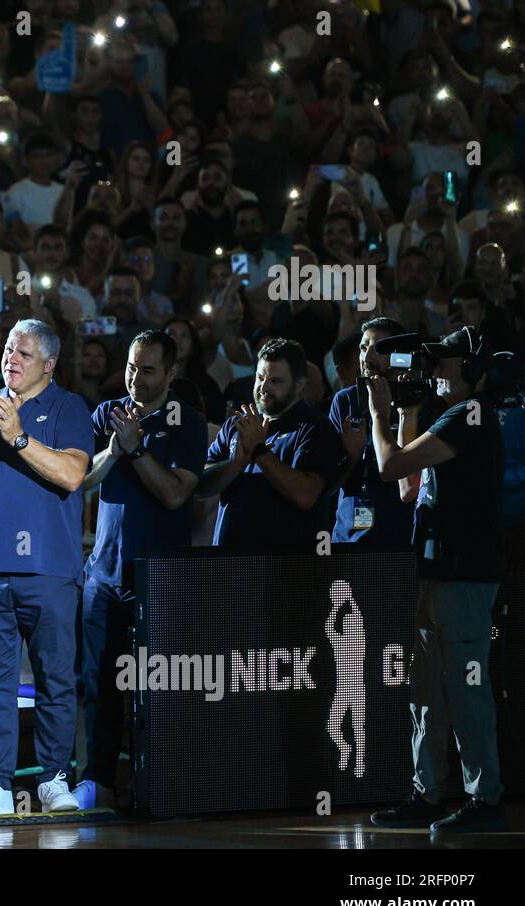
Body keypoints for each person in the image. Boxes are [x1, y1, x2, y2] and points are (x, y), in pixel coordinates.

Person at [0, 319, 94, 816]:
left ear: (49, 364)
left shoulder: (69, 407)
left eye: (24, 354)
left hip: (50, 569)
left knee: (56, 679)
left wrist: (18, 437)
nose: (12, 359)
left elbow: (73, 475)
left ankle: (53, 779)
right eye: (9, 349)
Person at [368, 327, 507, 834]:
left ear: (471, 368)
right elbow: (409, 489)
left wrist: (378, 412)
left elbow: (389, 466)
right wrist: (406, 411)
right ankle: (427, 791)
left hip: (463, 575)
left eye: (446, 360)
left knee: (466, 689)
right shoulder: (453, 417)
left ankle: (484, 798)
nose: (435, 369)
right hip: (437, 571)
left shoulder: (470, 415)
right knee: (425, 690)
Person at [78, 330, 207, 809]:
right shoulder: (108, 413)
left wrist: (135, 449)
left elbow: (176, 493)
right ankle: (98, 780)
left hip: (159, 578)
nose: (136, 379)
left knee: (156, 685)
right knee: (98, 682)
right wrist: (114, 449)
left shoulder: (188, 423)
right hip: (104, 572)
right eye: (132, 367)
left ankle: (159, 782)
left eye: (148, 370)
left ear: (171, 373)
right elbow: (79, 480)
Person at [196, 338, 343, 551]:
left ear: (299, 385)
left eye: (275, 381)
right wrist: (236, 463)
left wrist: (259, 451)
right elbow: (200, 487)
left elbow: (306, 495)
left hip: (284, 563)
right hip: (229, 560)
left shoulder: (315, 428)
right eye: (260, 377)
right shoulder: (237, 425)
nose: (263, 387)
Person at [328, 317, 425, 547]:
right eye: (363, 348)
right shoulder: (345, 401)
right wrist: (350, 455)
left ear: (400, 355)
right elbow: (326, 483)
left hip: (401, 534)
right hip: (349, 537)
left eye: (378, 349)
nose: (367, 357)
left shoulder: (418, 401)